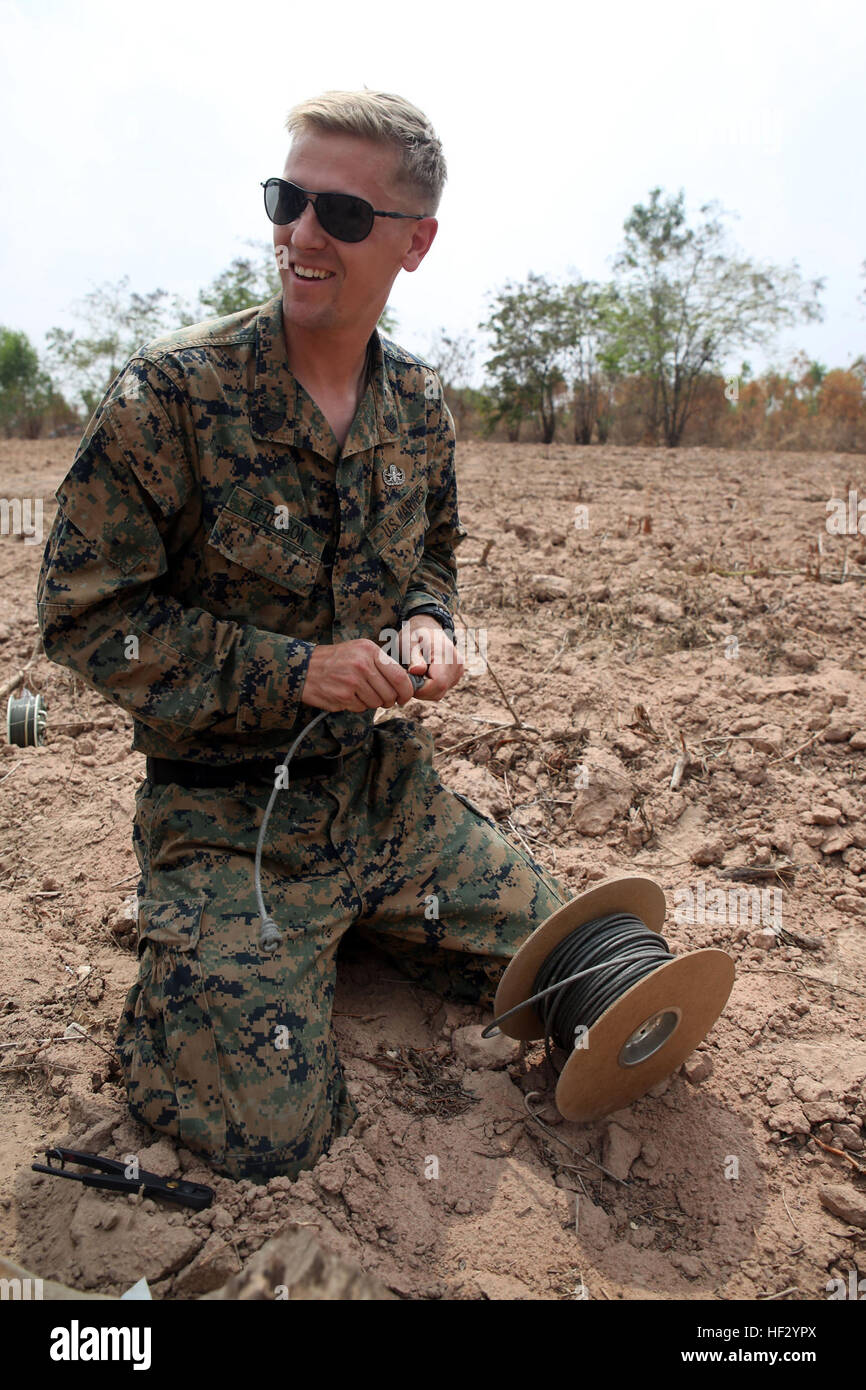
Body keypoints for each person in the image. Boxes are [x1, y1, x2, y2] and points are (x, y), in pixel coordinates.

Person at [36, 89, 570, 1182]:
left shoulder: (417, 406)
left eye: (340, 212)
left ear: (413, 243)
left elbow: (432, 555)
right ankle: (204, 986)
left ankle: (353, 923)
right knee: (261, 1129)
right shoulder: (172, 395)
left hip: (384, 793)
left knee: (581, 964)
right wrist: (294, 672)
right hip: (228, 808)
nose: (301, 232)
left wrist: (426, 621)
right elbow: (85, 611)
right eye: (287, 199)